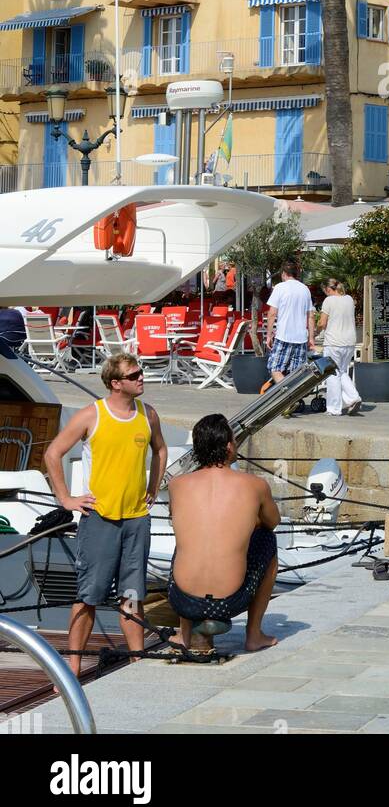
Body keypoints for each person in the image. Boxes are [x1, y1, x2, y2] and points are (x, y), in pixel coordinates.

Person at [44, 353, 168, 679]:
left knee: (132, 595)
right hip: (99, 519)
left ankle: (138, 664)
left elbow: (161, 449)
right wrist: (66, 498)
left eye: (141, 372)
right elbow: (52, 453)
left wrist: (153, 486)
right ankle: (70, 669)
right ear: (116, 383)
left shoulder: (148, 414)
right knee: (88, 597)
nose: (142, 377)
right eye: (135, 374)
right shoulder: (91, 415)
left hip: (137, 518)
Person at [167, 414, 280, 653]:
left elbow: (177, 519)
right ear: (229, 446)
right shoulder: (255, 485)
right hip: (228, 603)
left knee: (186, 540)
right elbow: (273, 522)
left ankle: (183, 634)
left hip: (183, 601)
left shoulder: (177, 485)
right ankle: (254, 634)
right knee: (267, 540)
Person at [265, 261, 315, 381]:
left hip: (284, 335)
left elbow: (272, 313)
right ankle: (293, 396)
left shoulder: (280, 287)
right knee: (296, 372)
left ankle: (287, 394)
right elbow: (311, 316)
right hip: (301, 337)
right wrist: (311, 338)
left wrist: (269, 335)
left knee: (274, 368)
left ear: (284, 273)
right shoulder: (305, 289)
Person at [318, 279, 361, 416]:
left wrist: (315, 330)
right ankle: (353, 398)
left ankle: (333, 408)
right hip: (349, 341)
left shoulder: (329, 301)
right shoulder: (349, 299)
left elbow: (322, 323)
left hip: (333, 342)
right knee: (341, 371)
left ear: (328, 289)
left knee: (332, 374)